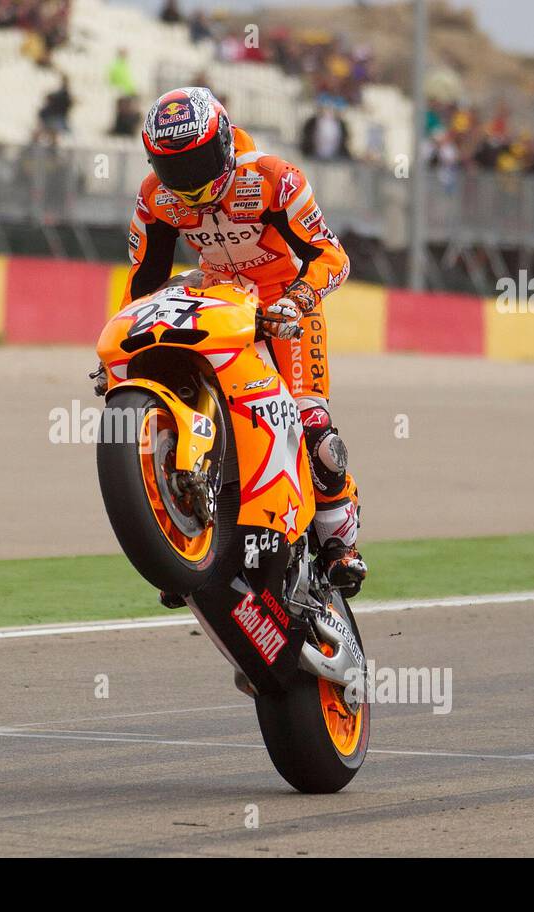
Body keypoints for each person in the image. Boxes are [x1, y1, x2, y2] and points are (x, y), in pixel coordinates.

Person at [120, 87, 366, 601]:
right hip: (217, 301)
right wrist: (125, 352)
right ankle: (185, 539)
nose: (188, 181)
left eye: (199, 161)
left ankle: (340, 545)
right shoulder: (154, 197)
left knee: (313, 427)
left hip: (285, 306)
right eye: (174, 168)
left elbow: (332, 257)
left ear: (226, 141)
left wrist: (298, 299)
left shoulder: (276, 180)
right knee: (182, 397)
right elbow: (143, 283)